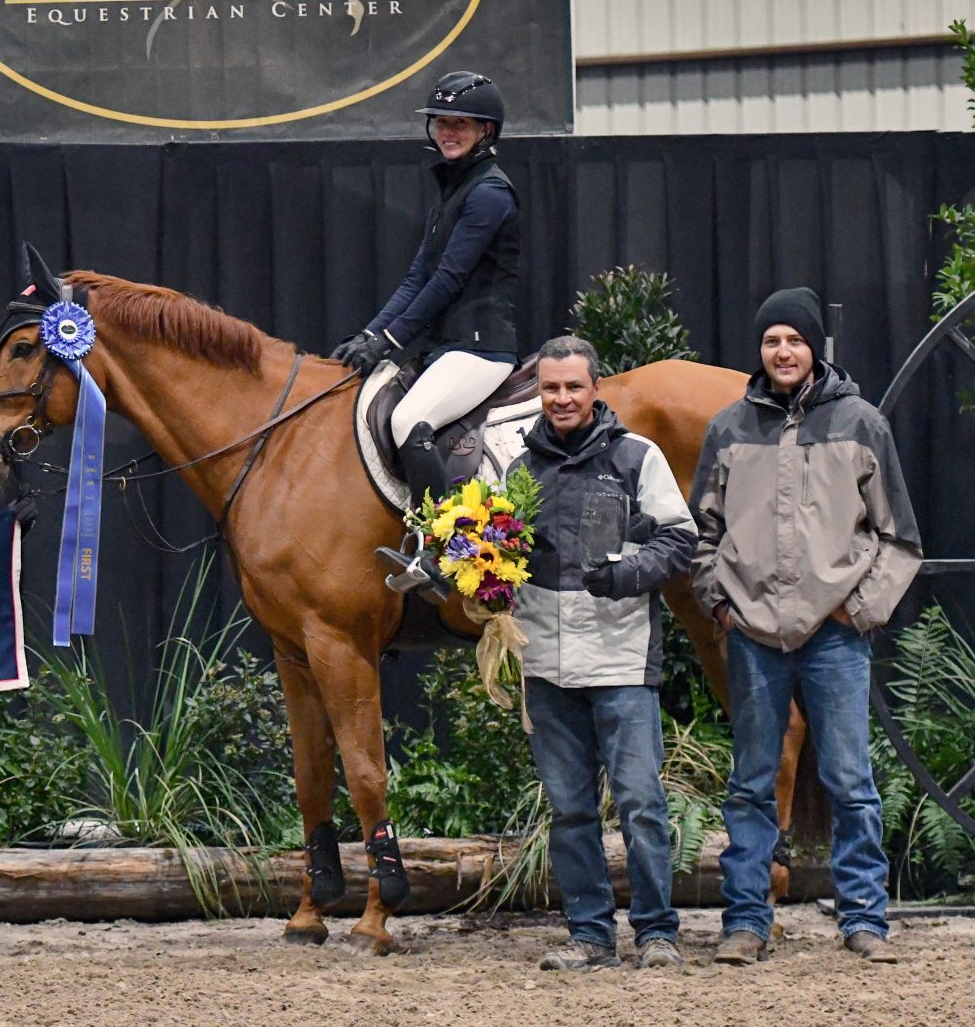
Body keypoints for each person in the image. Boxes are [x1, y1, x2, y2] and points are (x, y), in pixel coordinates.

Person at [689, 288, 922, 966]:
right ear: (758, 351)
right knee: (751, 782)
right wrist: (723, 606)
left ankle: (865, 919)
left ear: (814, 348)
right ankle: (745, 921)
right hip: (755, 637)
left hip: (835, 636)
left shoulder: (862, 423)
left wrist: (859, 609)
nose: (782, 352)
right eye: (771, 341)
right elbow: (701, 535)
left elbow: (899, 540)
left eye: (794, 340)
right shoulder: (729, 428)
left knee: (851, 781)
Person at [509, 335, 699, 971]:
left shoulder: (636, 456)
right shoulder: (518, 468)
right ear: (539, 391)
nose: (561, 398)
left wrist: (627, 573)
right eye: (550, 387)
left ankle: (656, 933)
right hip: (544, 662)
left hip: (620, 658)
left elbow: (681, 539)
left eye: (572, 387)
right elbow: (500, 550)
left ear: (596, 389)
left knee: (642, 803)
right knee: (569, 812)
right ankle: (589, 935)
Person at [332, 70, 521, 598]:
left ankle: (441, 551)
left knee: (410, 418)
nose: (448, 131)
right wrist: (370, 334)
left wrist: (390, 343)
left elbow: (449, 280)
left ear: (486, 130)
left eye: (461, 123)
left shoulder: (490, 194)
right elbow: (417, 275)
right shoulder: (455, 189)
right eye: (441, 122)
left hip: (482, 348)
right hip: (447, 345)